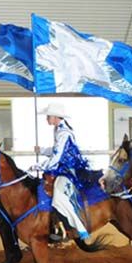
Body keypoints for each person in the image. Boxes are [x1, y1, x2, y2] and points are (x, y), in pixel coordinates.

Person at [33, 103, 90, 241]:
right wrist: (43, 151)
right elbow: (56, 150)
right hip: (61, 168)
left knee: (58, 196)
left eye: (48, 116)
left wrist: (40, 166)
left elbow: (57, 156)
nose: (47, 118)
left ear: (55, 117)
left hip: (68, 170)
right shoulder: (58, 130)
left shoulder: (64, 133)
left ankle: (80, 228)